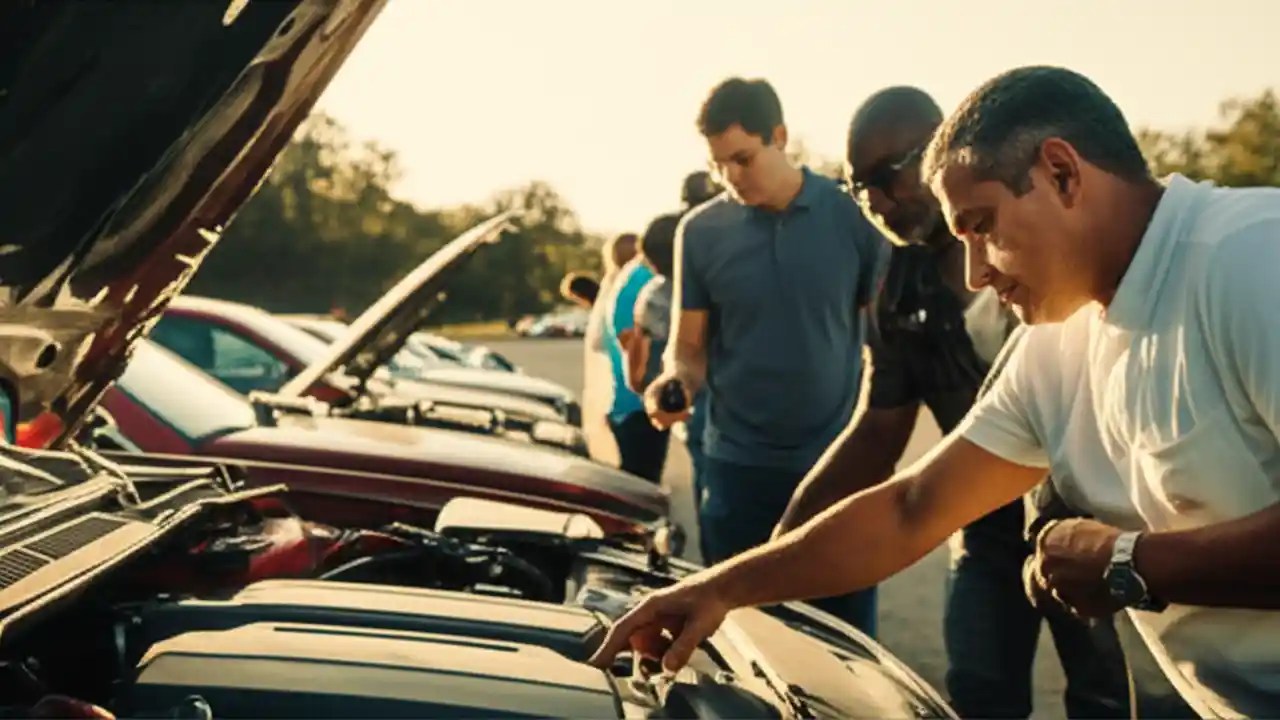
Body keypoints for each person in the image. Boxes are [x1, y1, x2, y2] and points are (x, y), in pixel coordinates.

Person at [592, 65, 1280, 719]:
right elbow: (913, 509)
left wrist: (1132, 564)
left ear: (1063, 173)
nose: (976, 273)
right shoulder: (1058, 340)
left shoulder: (1251, 257)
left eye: (982, 227)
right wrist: (719, 590)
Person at [771, 85, 1129, 718]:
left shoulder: (1064, 258)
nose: (877, 202)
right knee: (979, 694)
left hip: (1098, 526)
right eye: (861, 188)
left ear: (943, 149)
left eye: (888, 176)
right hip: (985, 531)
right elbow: (877, 436)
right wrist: (781, 546)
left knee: (1110, 698)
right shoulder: (897, 285)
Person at [644, 77, 886, 634]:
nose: (730, 177)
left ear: (780, 135)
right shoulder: (700, 234)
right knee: (747, 640)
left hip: (836, 467)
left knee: (845, 649)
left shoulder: (853, 217)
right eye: (718, 164)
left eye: (743, 158)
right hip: (737, 470)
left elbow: (882, 339)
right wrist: (671, 383)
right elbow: (687, 349)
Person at [603, 234, 671, 483]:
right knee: (643, 490)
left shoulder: (628, 280)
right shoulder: (646, 283)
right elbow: (632, 342)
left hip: (628, 405)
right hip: (638, 406)